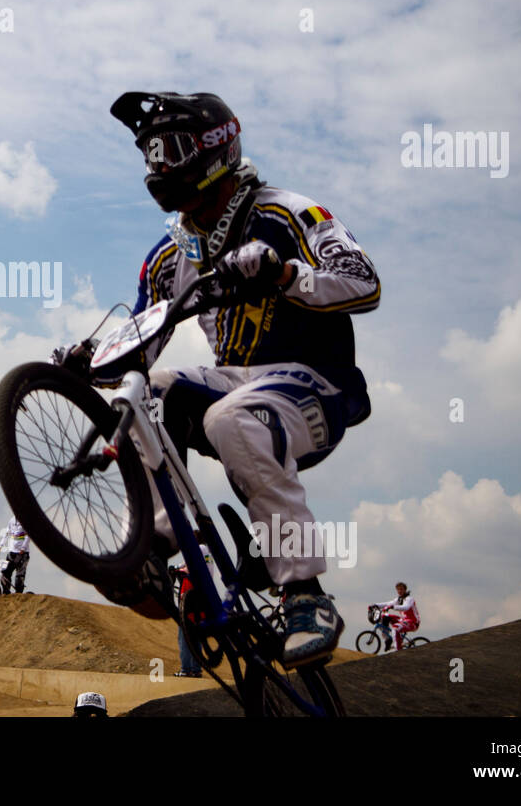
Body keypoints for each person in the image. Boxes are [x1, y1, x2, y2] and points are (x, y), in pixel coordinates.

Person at [61, 91, 380, 667]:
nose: (159, 165)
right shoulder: (169, 254)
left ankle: (306, 592)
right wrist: (89, 357)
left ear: (213, 150)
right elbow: (140, 338)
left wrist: (285, 274)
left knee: (229, 416)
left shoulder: (287, 212)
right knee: (146, 391)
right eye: (150, 155)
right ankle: (158, 547)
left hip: (318, 387)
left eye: (171, 150)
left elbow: (365, 283)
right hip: (235, 384)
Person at [173, 533, 212, 677]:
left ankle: (186, 669)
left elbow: (188, 568)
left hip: (191, 597)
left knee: (184, 634)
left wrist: (178, 570)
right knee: (196, 634)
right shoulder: (206, 552)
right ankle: (196, 669)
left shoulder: (198, 549)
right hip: (201, 596)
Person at [374, 582, 420, 652]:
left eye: (401, 589)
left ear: (405, 590)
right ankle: (388, 639)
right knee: (384, 616)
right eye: (398, 590)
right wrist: (375, 605)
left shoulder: (409, 599)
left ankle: (398, 651)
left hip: (413, 622)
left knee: (395, 628)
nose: (400, 591)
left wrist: (393, 607)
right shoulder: (399, 599)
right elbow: (387, 603)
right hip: (403, 620)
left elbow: (405, 607)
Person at [0, 516, 30, 595]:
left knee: (19, 577)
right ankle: (6, 593)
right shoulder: (11, 520)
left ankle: (18, 594)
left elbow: (27, 537)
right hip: (12, 553)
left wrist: (22, 550)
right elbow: (6, 536)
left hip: (22, 554)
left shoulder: (25, 521)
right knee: (5, 573)